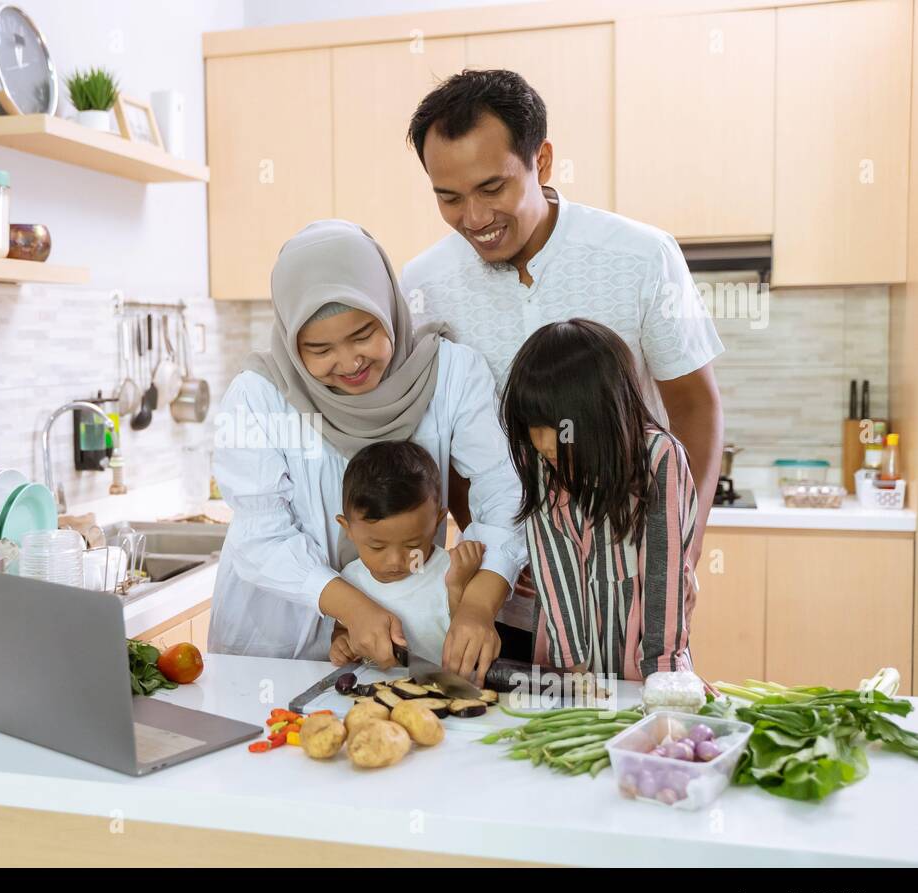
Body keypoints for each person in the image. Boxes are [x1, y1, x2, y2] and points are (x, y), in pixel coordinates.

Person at [401, 69, 724, 652]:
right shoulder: (423, 286)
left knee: (624, 736)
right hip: (499, 597)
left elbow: (695, 409)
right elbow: (446, 447)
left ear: (542, 161)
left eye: (492, 188)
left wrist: (679, 553)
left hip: (625, 591)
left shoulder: (640, 255)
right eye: (448, 198)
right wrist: (484, 548)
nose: (473, 218)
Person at [209, 219, 527, 679]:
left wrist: (479, 603)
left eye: (362, 335)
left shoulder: (450, 374)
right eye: (319, 348)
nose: (350, 361)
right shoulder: (259, 396)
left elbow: (505, 492)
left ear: (389, 306)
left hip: (406, 634)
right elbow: (261, 537)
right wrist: (352, 607)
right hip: (277, 641)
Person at [499, 319, 698, 678]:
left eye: (555, 427)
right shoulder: (542, 461)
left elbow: (662, 573)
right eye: (533, 425)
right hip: (565, 652)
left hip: (646, 657)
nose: (543, 443)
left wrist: (663, 672)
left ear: (599, 412)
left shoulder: (658, 456)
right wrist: (569, 671)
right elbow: (554, 569)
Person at [334, 440, 494, 667]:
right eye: (377, 547)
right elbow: (342, 627)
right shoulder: (349, 580)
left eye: (412, 545)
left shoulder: (452, 570)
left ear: (438, 522)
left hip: (442, 694)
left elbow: (469, 639)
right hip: (371, 696)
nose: (395, 561)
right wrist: (341, 644)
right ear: (347, 528)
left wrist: (458, 587)